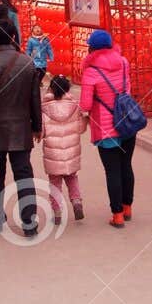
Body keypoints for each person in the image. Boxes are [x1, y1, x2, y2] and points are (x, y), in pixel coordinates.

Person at [0, 20, 42, 236]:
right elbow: (34, 99)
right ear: (14, 36)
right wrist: (37, 126)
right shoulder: (27, 62)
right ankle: (29, 222)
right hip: (20, 127)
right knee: (24, 174)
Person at [79, 28, 138, 228]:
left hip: (105, 128)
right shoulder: (123, 63)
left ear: (91, 49)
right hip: (127, 122)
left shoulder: (90, 72)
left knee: (112, 170)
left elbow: (86, 105)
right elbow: (127, 89)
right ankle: (127, 206)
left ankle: (118, 215)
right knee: (126, 166)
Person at [40, 73, 86, 223]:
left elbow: (41, 132)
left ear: (51, 89)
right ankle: (77, 202)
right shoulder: (74, 105)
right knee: (72, 177)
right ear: (68, 89)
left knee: (55, 182)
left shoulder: (44, 107)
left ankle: (57, 211)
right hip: (71, 151)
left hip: (53, 152)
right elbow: (81, 128)